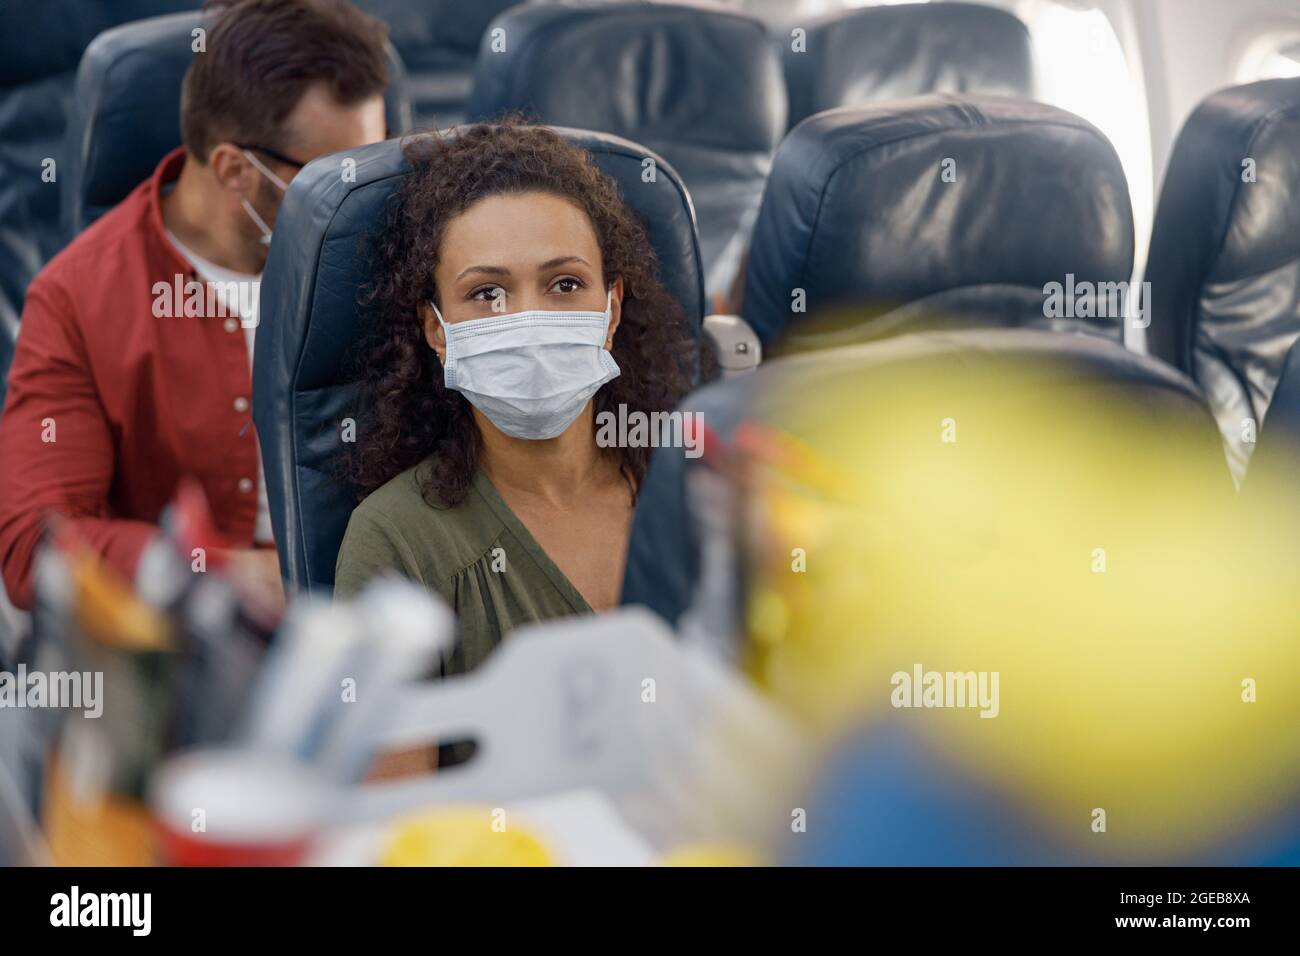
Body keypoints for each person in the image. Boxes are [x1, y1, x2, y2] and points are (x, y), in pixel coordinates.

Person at [0, 0, 390, 612]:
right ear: (236, 168)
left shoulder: (391, 247)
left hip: (381, 605)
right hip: (199, 634)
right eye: (332, 176)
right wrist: (223, 573)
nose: (360, 194)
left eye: (370, 162)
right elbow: (34, 546)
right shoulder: (79, 296)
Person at [335, 121, 698, 675]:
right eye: (487, 293)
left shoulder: (693, 491)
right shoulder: (395, 539)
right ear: (437, 331)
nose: (529, 319)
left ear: (612, 310)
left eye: (565, 284)